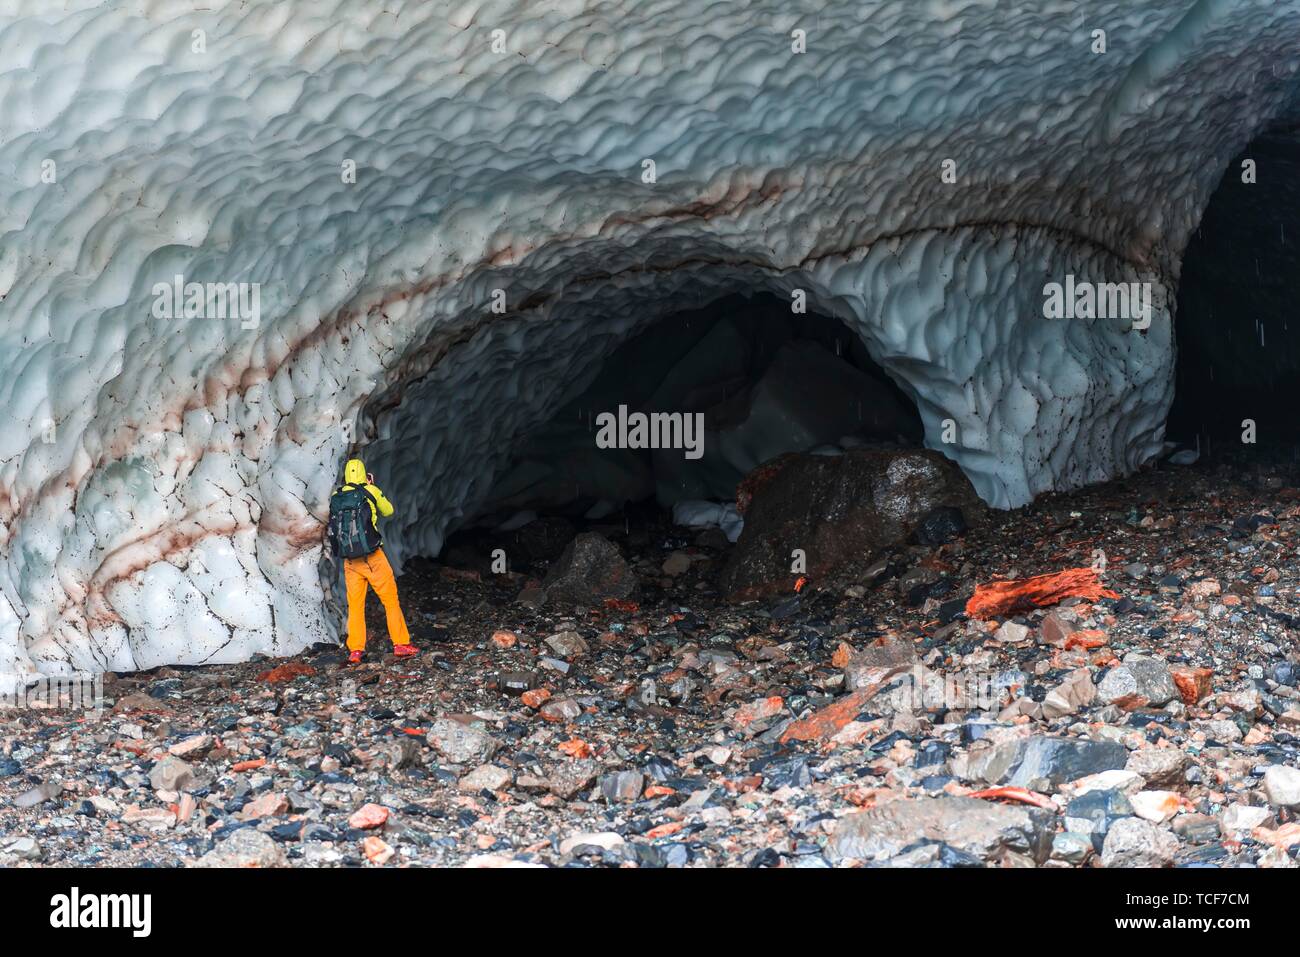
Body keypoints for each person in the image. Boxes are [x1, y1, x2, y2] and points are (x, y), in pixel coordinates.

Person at [327, 458, 415, 663]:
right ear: (364, 474)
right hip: (372, 558)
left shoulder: (336, 496)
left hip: (350, 560)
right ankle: (401, 644)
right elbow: (389, 510)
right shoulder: (369, 491)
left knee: (355, 605)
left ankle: (356, 650)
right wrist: (371, 487)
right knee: (390, 599)